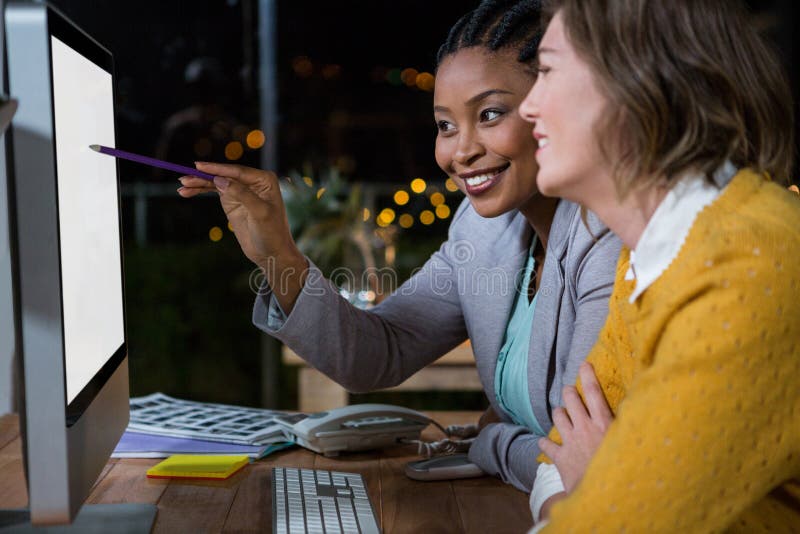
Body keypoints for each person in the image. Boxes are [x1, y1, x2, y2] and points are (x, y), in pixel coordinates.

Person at [178, 0, 621, 492]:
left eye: (490, 114)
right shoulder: (481, 231)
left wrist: (490, 441)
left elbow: (580, 465)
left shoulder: (608, 240)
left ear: (554, 105)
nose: (461, 151)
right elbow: (377, 354)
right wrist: (279, 255)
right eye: (446, 125)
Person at [517, 0, 800, 530]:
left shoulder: (744, 266)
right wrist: (588, 491)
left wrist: (596, 487)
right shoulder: (648, 258)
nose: (528, 107)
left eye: (548, 71)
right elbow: (559, 449)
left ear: (635, 79)